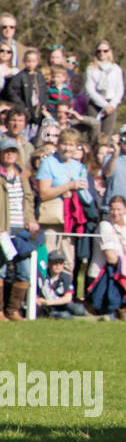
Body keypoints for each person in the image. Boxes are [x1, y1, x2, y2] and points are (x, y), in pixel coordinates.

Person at [35, 129, 93, 272]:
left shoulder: (78, 166)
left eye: (72, 145)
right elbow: (43, 193)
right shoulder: (48, 163)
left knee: (68, 262)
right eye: (65, 144)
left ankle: (66, 292)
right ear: (58, 144)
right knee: (49, 259)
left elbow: (84, 192)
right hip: (51, 220)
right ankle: (43, 291)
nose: (68, 148)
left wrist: (76, 192)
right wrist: (68, 187)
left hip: (70, 221)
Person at [87, 195, 126, 320]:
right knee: (108, 317)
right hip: (104, 275)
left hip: (124, 271)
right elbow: (111, 258)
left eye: (119, 209)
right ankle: (111, 310)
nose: (115, 213)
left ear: (125, 210)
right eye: (112, 209)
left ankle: (124, 309)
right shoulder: (104, 226)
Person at [0, 136, 40, 320]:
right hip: (3, 228)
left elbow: (29, 200)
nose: (10, 155)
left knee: (24, 269)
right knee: (0, 269)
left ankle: (13, 309)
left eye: (13, 151)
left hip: (21, 227)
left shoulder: (22, 175)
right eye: (6, 151)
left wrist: (30, 219)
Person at [3, 49, 50, 137]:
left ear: (37, 62)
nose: (30, 64)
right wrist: (21, 105)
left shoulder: (39, 76)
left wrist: (44, 103)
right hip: (25, 110)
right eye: (28, 61)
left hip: (38, 112)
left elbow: (44, 92)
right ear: (24, 61)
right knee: (25, 134)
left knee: (35, 135)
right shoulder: (20, 76)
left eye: (33, 61)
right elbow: (12, 91)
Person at [84, 40, 124, 136]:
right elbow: (89, 90)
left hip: (111, 104)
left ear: (109, 52)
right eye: (99, 51)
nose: (102, 53)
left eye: (105, 51)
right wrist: (104, 105)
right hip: (95, 104)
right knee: (93, 134)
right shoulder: (91, 69)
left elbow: (120, 89)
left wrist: (112, 105)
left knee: (107, 136)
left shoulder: (116, 69)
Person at [37, 252, 86, 319]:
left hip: (59, 303)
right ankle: (54, 315)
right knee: (65, 316)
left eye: (61, 263)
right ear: (49, 263)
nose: (58, 266)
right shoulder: (42, 276)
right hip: (46, 306)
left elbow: (68, 298)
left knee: (80, 310)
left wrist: (49, 302)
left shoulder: (66, 277)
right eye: (55, 263)